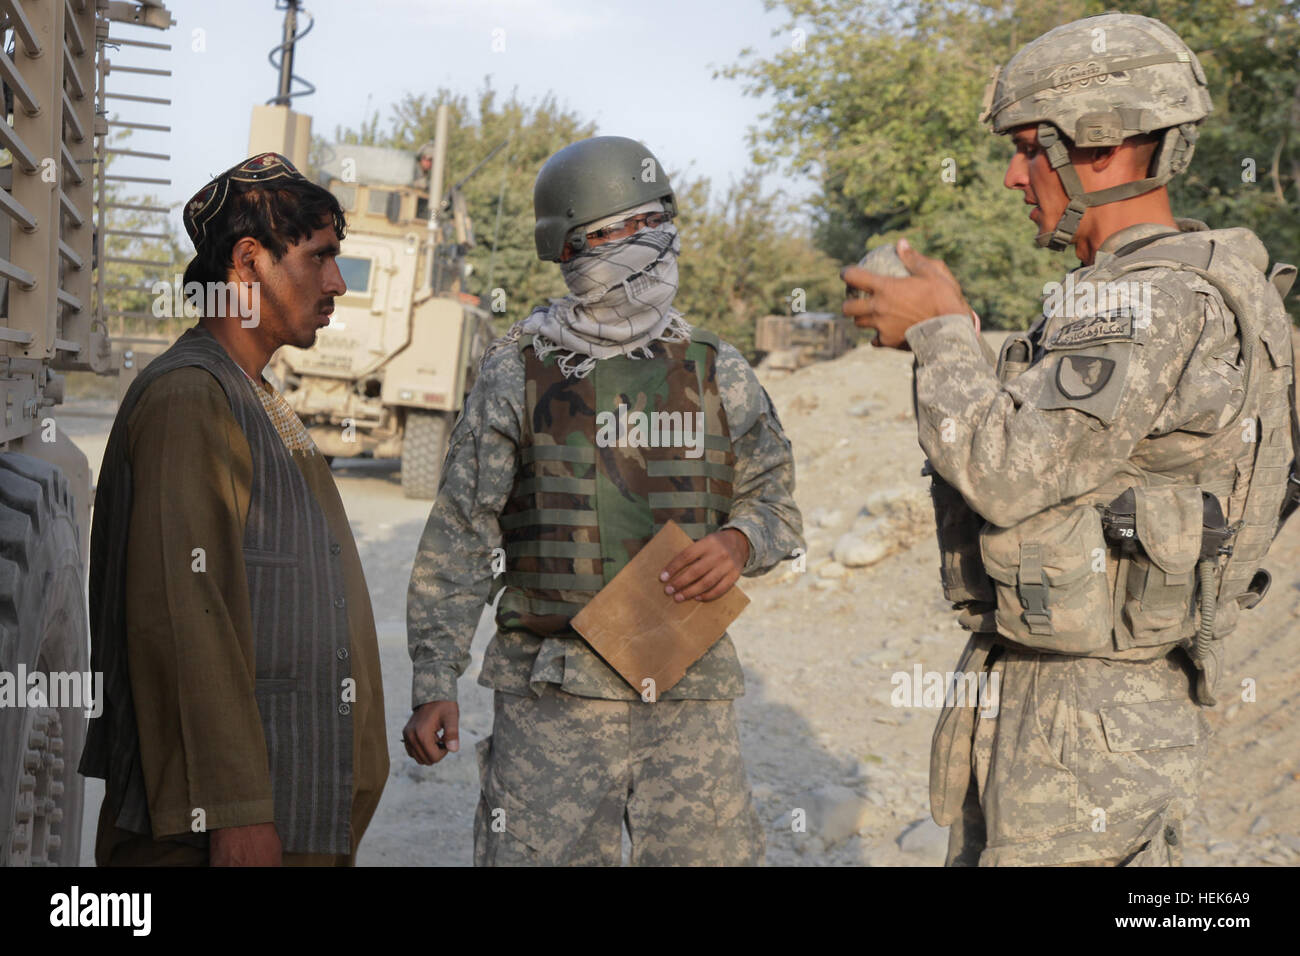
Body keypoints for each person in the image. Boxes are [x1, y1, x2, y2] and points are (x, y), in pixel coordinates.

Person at [843, 13, 1298, 866]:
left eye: (1027, 148)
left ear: (1099, 146)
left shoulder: (1145, 301)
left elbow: (1008, 475)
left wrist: (942, 335)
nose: (1016, 177)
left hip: (1085, 709)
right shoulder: (1166, 284)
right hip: (1085, 689)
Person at [403, 135, 804, 866]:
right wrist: (434, 679)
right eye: (609, 235)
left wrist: (741, 542)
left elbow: (776, 500)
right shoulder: (517, 373)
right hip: (551, 700)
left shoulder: (719, 371)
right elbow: (463, 535)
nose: (637, 248)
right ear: (565, 250)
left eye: (650, 225)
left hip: (689, 696)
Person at [80, 152, 389, 866]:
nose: (337, 283)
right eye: (320, 257)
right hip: (218, 834)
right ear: (249, 262)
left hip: (278, 816)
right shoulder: (191, 396)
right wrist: (234, 811)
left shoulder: (254, 395)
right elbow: (183, 614)